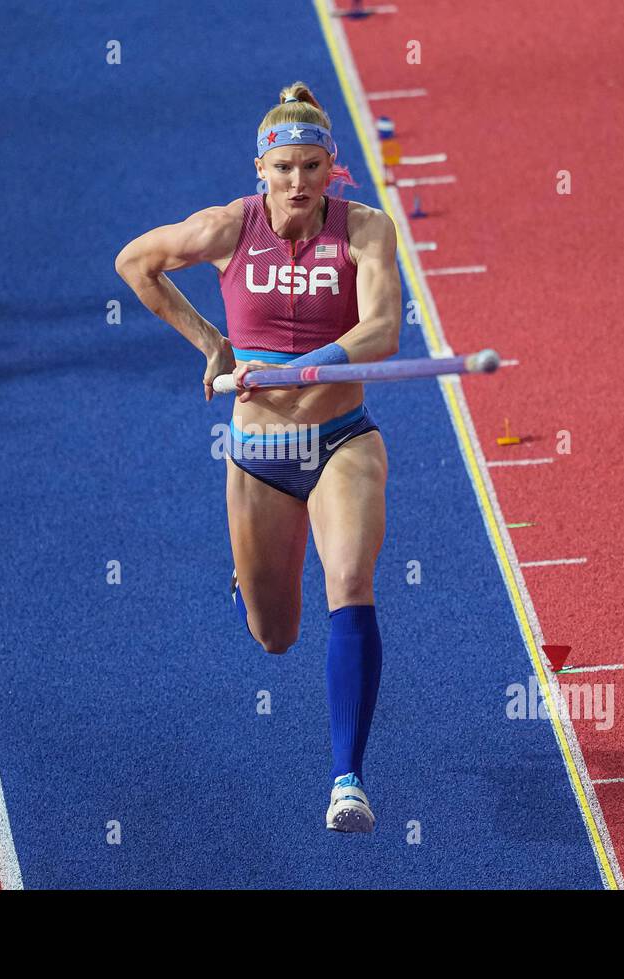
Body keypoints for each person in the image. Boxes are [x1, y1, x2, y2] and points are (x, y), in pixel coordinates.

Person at [114, 82, 401, 832]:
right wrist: (212, 342)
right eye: (285, 169)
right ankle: (249, 579)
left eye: (312, 167)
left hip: (342, 439)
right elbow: (135, 264)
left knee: (350, 580)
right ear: (261, 170)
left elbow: (383, 331)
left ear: (332, 168)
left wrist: (316, 364)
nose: (299, 183)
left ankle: (348, 778)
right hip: (259, 453)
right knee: (275, 634)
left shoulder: (366, 229)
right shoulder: (228, 228)